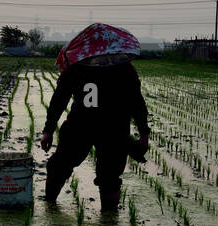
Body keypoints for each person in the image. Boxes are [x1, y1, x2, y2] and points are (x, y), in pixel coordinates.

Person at [40, 55, 149, 211]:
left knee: (60, 166)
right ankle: (108, 224)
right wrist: (144, 133)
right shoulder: (124, 68)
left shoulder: (76, 66)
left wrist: (48, 130)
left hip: (81, 126)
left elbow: (59, 100)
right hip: (113, 130)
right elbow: (137, 103)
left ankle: (49, 205)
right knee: (109, 177)